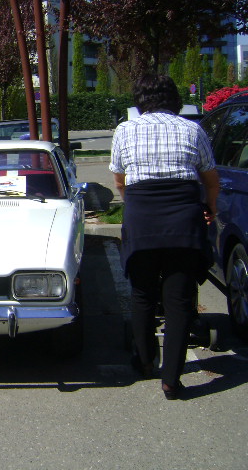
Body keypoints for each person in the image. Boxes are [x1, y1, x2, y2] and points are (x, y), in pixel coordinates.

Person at [109, 73, 220, 400]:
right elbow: (210, 178)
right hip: (184, 220)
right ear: (174, 100)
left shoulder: (125, 130)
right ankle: (172, 380)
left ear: (140, 101)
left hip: (142, 216)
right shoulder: (192, 129)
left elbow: (120, 180)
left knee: (142, 293)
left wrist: (136, 207)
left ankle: (145, 362)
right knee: (179, 300)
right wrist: (209, 207)